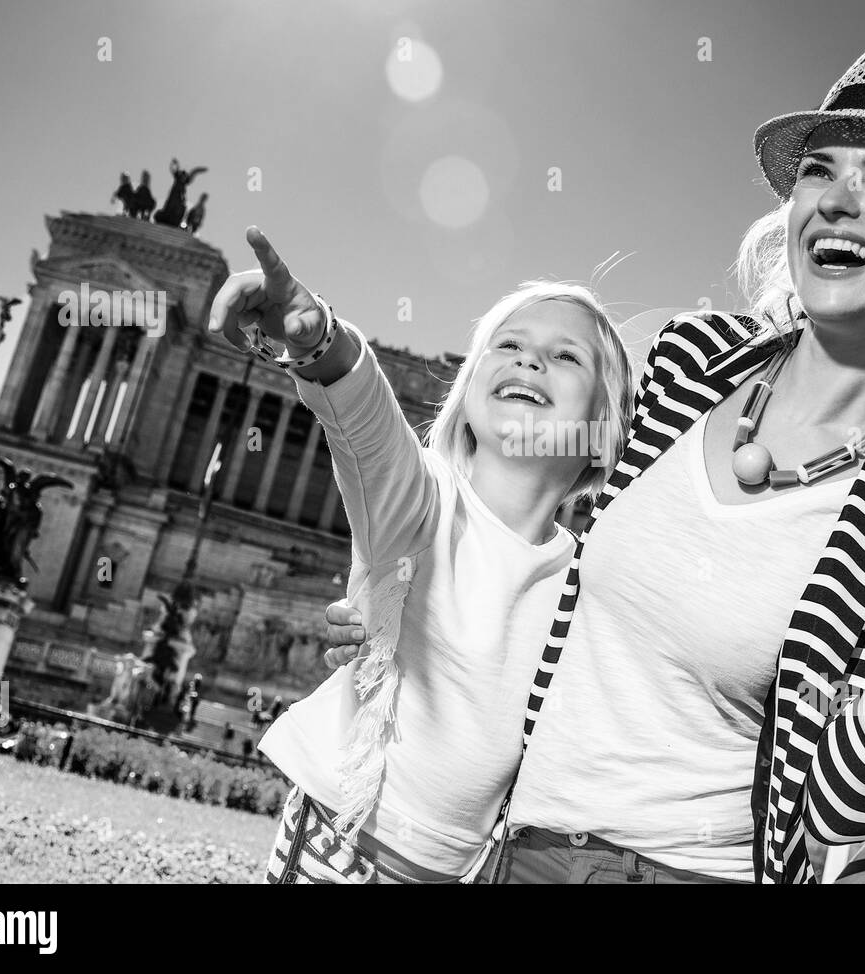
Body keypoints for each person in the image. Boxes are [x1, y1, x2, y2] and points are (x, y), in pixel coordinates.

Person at [324, 32, 865, 884]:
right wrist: (413, 600)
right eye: (819, 170)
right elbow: (516, 512)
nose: (836, 200)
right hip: (521, 851)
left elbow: (841, 801)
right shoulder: (683, 364)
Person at [207, 228, 632, 883]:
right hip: (342, 847)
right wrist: (318, 337)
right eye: (509, 345)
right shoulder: (421, 499)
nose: (530, 361)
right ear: (466, 397)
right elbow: (366, 422)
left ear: (604, 436)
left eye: (566, 357)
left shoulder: (590, 580)